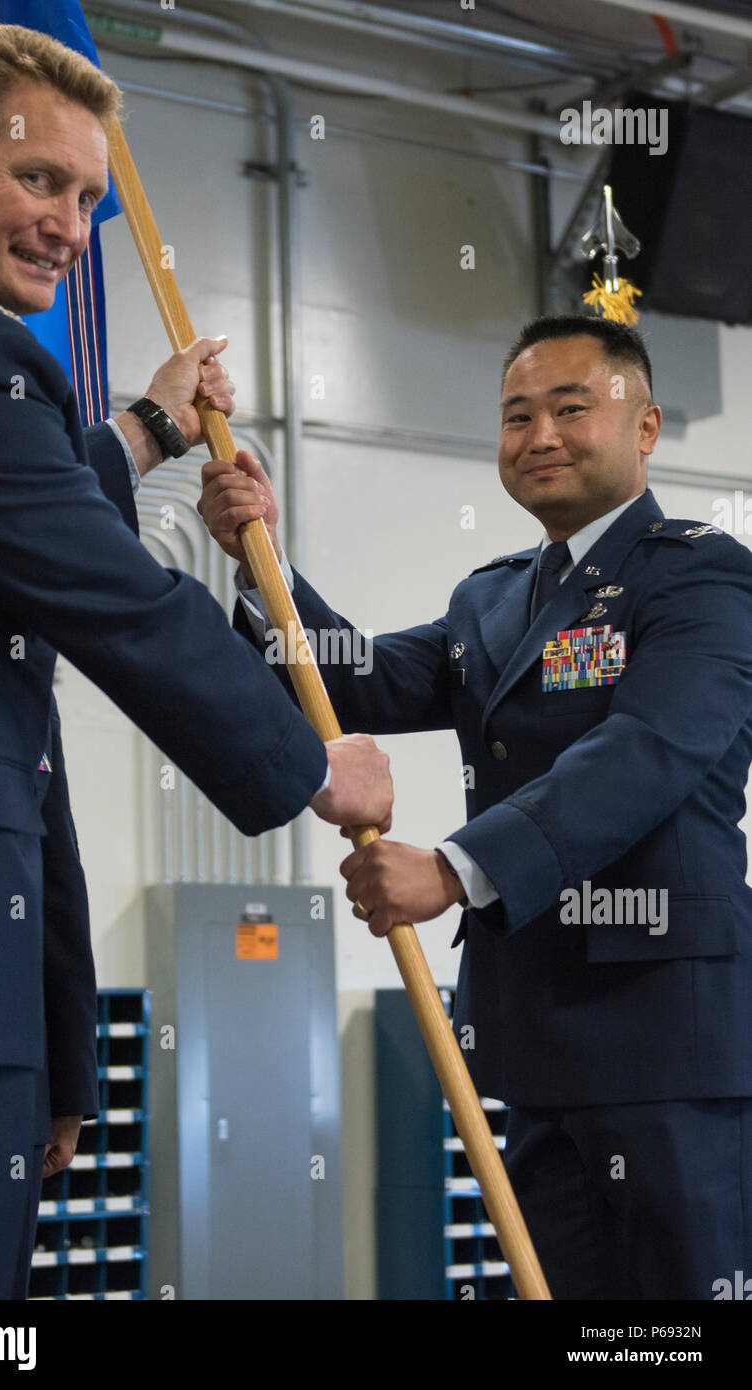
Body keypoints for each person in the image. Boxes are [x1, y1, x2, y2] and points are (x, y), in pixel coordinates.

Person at [0, 21, 393, 1300]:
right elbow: (103, 590)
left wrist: (151, 429)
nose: (69, 221)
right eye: (38, 178)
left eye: (92, 197)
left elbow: (2, 522)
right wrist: (313, 765)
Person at [197, 314, 752, 1301]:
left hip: (666, 1040)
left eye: (570, 409)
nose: (540, 435)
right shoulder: (492, 600)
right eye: (517, 415)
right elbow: (356, 679)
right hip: (534, 1039)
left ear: (647, 426)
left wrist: (453, 869)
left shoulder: (706, 573)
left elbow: (645, 755)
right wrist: (261, 562)